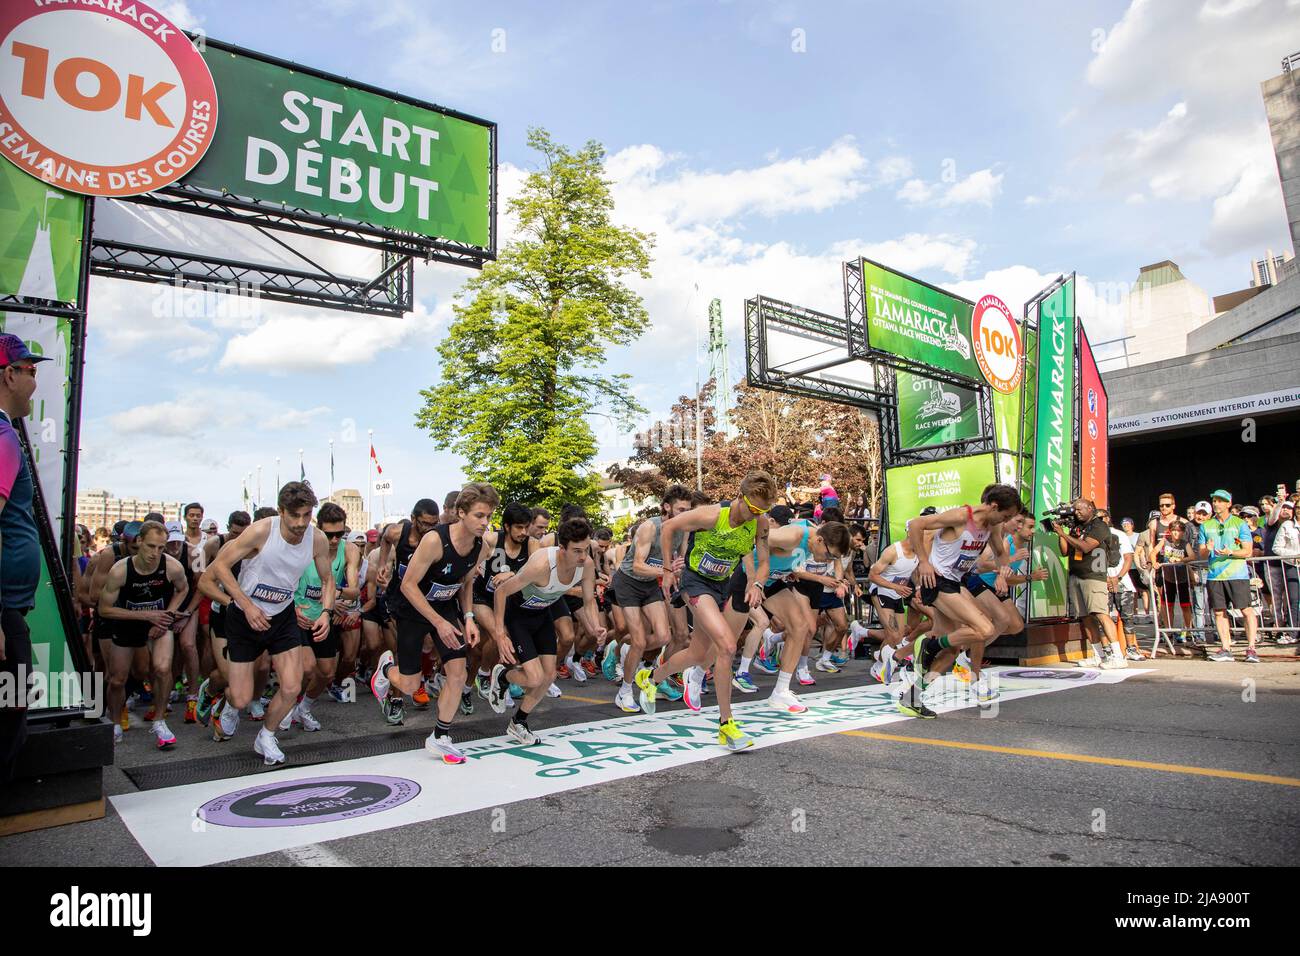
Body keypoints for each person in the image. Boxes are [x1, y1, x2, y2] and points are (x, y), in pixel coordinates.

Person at [634, 471, 778, 751]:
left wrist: (757, 582)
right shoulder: (712, 516)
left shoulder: (759, 522)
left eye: (763, 510)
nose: (756, 515)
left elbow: (764, 561)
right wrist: (666, 570)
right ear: (740, 497)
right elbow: (669, 528)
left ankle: (650, 678)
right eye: (753, 508)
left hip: (721, 584)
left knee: (699, 654)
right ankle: (726, 725)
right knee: (726, 646)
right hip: (695, 582)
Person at [199, 482, 337, 766]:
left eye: (307, 515)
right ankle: (217, 697)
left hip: (283, 615)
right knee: (240, 698)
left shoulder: (317, 539)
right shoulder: (261, 531)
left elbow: (327, 579)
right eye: (294, 516)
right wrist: (245, 604)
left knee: (291, 685)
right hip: (245, 615)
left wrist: (325, 612)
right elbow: (221, 568)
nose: (301, 523)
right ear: (281, 511)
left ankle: (266, 735)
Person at [372, 483, 498, 761]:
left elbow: (465, 584)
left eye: (488, 516)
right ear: (461, 513)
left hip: (445, 609)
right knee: (408, 685)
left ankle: (441, 736)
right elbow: (407, 585)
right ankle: (385, 670)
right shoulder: (434, 541)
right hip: (413, 610)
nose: (485, 522)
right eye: (479, 515)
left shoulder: (480, 546)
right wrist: (438, 622)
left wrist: (468, 618)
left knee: (457, 672)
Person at [905, 484, 1023, 714]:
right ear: (994, 506)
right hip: (937, 582)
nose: (1006, 521)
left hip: (954, 583)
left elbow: (1000, 553)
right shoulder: (961, 516)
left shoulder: (993, 526)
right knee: (985, 628)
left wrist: (1004, 570)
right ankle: (929, 644)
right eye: (1006, 516)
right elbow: (915, 524)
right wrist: (924, 561)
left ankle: (913, 697)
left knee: (952, 650)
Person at [488, 516, 605, 745]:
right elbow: (500, 593)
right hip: (518, 616)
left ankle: (519, 722)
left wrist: (594, 627)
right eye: (577, 551)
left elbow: (589, 600)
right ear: (562, 548)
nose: (583, 557)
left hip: (542, 614)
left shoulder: (586, 565)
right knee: (534, 677)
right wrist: (500, 633)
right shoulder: (542, 564)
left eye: (586, 550)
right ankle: (502, 676)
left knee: (549, 675)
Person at [0, 335, 52, 781]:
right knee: (11, 711)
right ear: (8, 374)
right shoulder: (2, 437)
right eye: (30, 371)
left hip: (9, 608)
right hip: (3, 611)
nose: (36, 381)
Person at [98, 520, 191, 748]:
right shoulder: (120, 570)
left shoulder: (172, 566)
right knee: (118, 678)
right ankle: (115, 722)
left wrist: (167, 615)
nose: (155, 553)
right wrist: (146, 616)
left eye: (161, 547)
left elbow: (184, 589)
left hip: (159, 622)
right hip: (128, 621)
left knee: (162, 669)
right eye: (151, 546)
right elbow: (104, 609)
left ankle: (159, 720)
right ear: (139, 541)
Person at [611, 485, 692, 713]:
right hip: (628, 582)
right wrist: (667, 572)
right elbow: (637, 565)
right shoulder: (649, 527)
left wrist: (680, 569)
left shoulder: (683, 529)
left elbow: (681, 560)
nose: (685, 513)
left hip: (650, 584)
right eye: (681, 509)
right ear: (667, 507)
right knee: (639, 641)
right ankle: (624, 691)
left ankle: (632, 656)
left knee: (665, 635)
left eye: (688, 509)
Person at [284, 503, 360, 734]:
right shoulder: (302, 544)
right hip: (297, 615)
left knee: (327, 672)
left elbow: (354, 591)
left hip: (323, 616)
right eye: (330, 535)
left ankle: (303, 708)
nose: (335, 539)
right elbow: (284, 579)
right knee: (307, 668)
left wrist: (332, 596)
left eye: (340, 534)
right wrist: (293, 609)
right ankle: (286, 707)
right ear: (319, 529)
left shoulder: (350, 550)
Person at [1056, 497, 1125, 668]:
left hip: (1093, 575)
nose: (1076, 513)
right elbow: (1065, 551)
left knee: (1101, 614)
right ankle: (1098, 655)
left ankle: (1118, 656)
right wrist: (1063, 533)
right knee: (1085, 617)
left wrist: (1062, 533)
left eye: (1080, 509)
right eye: (1075, 510)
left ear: (1090, 508)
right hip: (1075, 574)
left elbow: (1086, 547)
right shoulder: (1077, 527)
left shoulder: (1099, 526)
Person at [1198, 490, 1260, 663]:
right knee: (1219, 612)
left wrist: (1230, 552)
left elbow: (1247, 551)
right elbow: (1201, 554)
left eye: (1220, 501)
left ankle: (1251, 648)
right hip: (1215, 575)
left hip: (1237, 573)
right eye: (1215, 500)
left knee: (1246, 610)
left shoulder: (1239, 523)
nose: (1216, 503)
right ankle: (1226, 648)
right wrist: (1207, 550)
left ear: (1228, 503)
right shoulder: (1206, 525)